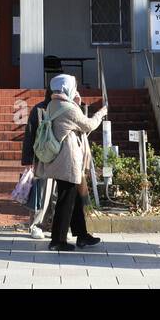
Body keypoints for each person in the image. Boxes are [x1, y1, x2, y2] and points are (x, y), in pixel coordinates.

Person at [33, 73, 106, 252]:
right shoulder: (69, 108)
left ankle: (82, 235)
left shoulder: (53, 104)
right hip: (68, 160)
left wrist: (75, 101)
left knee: (73, 198)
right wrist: (100, 114)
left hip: (58, 159)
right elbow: (88, 125)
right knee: (67, 199)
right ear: (67, 88)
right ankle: (58, 240)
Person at [20, 86, 54, 239]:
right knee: (40, 193)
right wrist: (28, 160)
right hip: (42, 159)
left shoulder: (68, 108)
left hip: (61, 160)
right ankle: (35, 225)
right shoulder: (39, 110)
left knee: (56, 194)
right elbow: (29, 135)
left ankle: (55, 226)